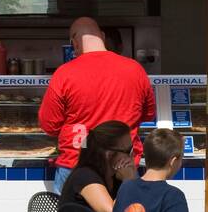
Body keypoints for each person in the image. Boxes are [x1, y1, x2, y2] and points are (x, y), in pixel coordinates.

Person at [40, 17, 156, 194]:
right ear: (102, 36)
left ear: (74, 44)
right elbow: (149, 114)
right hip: (122, 166)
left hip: (75, 164)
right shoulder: (135, 69)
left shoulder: (64, 74)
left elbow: (49, 125)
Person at [56, 120, 137, 212]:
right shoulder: (85, 177)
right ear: (109, 154)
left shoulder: (115, 177)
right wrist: (128, 182)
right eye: (129, 151)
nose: (133, 156)